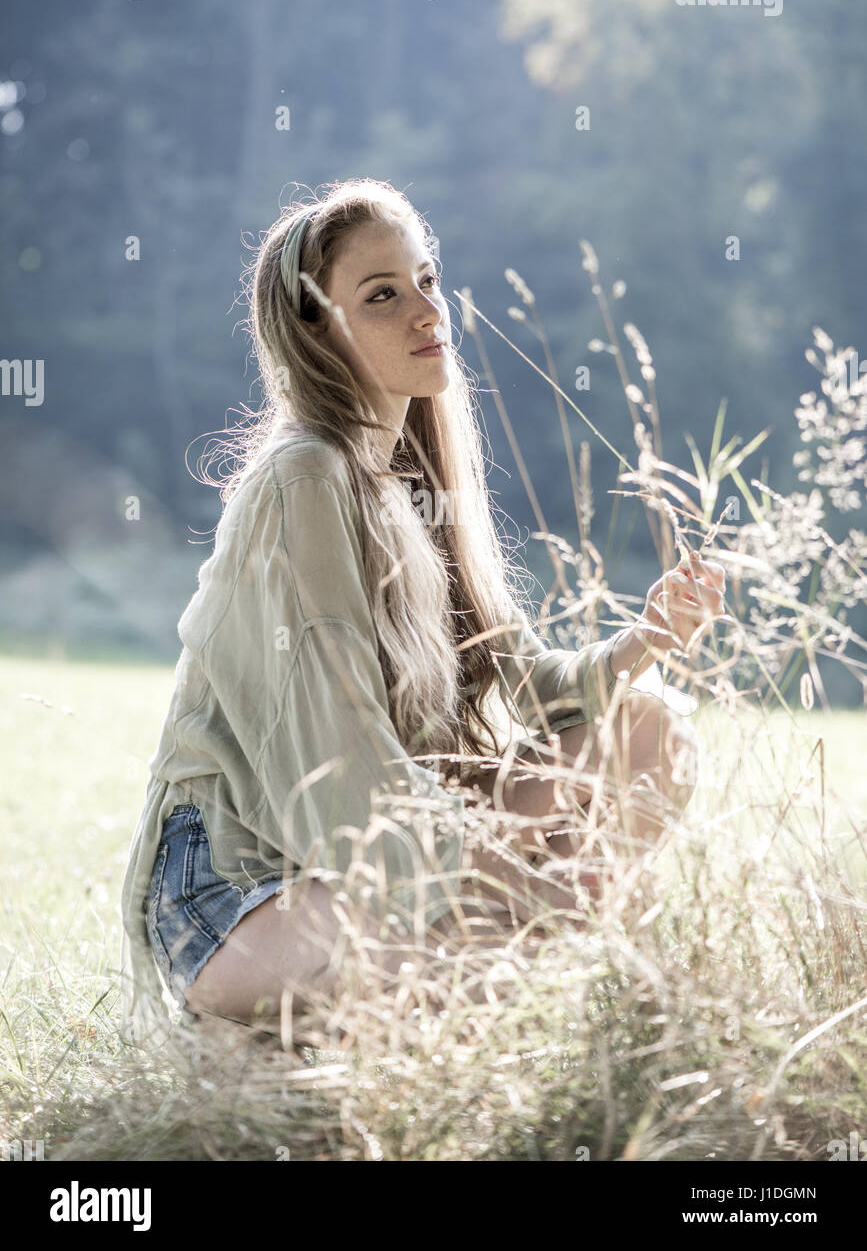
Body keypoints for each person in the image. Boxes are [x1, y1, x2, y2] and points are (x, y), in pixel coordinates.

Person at [118, 178, 725, 1045]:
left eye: (427, 280)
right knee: (495, 956)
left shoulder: (411, 481)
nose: (426, 310)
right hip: (240, 877)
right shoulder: (303, 478)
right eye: (381, 295)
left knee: (650, 731)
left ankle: (455, 993)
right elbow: (342, 764)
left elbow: (527, 682)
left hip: (377, 843)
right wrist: (537, 890)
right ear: (317, 332)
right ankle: (262, 1031)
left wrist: (646, 640)